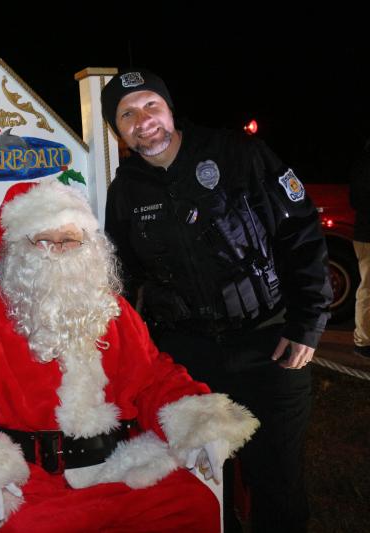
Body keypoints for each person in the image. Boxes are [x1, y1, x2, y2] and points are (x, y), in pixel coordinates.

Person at [0, 179, 259, 532]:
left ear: (89, 245)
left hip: (121, 466)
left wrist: (196, 421)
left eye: (69, 240)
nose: (58, 250)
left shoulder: (112, 309)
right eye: (43, 240)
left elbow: (153, 377)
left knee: (192, 505)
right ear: (19, 248)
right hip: (35, 482)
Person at [102, 69, 332, 532]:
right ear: (118, 129)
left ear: (169, 108)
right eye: (127, 114)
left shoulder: (237, 154)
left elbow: (301, 233)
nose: (142, 119)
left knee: (278, 483)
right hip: (189, 359)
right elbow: (121, 279)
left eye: (150, 105)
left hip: (270, 347)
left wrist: (307, 322)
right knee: (203, 486)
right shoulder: (125, 189)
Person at [350, 141, 370, 358]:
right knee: (368, 289)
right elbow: (358, 199)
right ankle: (363, 342)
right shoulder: (364, 165)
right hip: (368, 235)